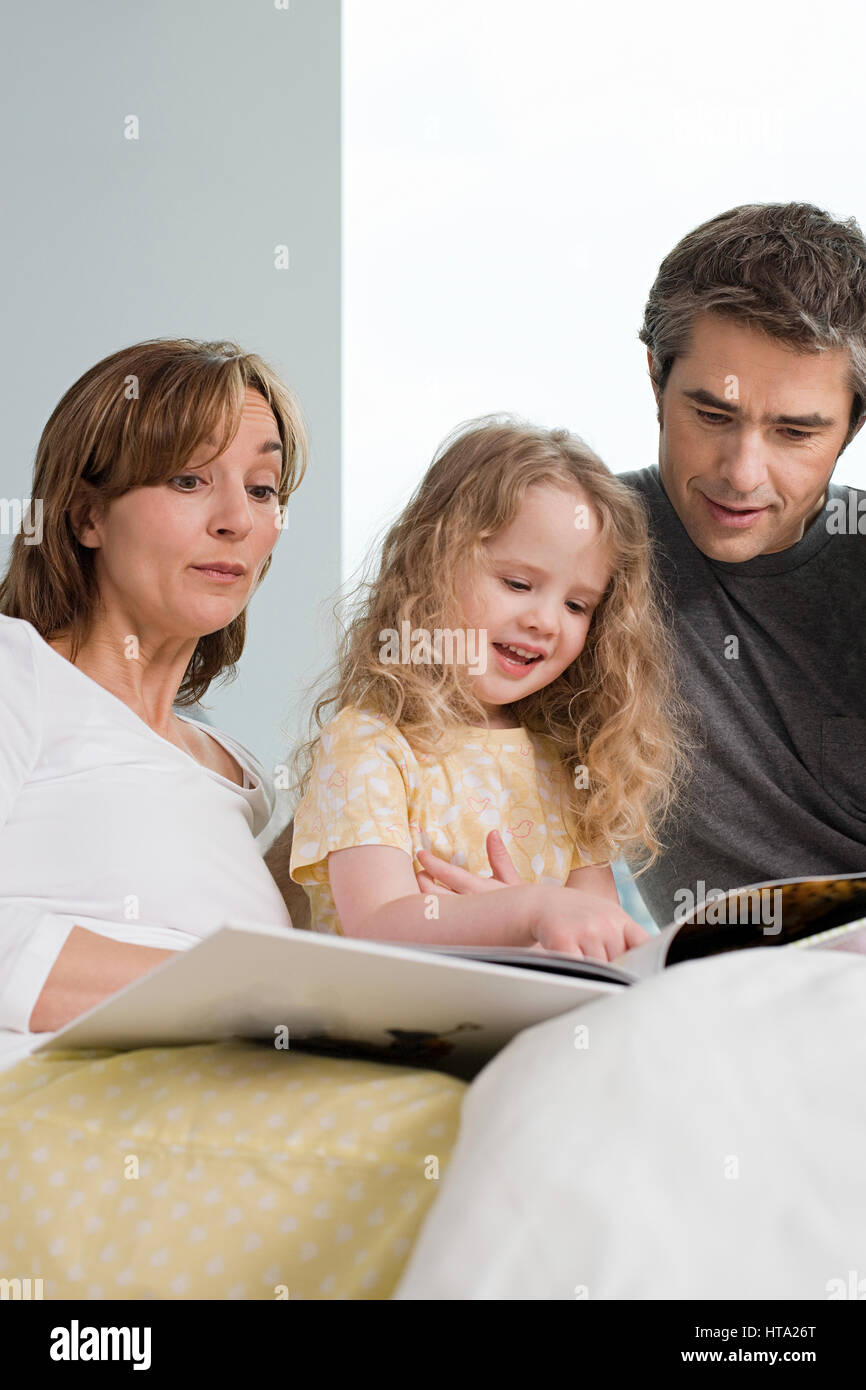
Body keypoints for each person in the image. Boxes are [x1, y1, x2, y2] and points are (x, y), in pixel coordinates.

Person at [0, 338, 465, 1300]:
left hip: (232, 1087)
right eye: (187, 480)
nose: (234, 522)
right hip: (58, 1098)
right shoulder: (17, 674)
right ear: (85, 513)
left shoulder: (241, 775)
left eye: (262, 491)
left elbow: (314, 960)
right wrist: (227, 996)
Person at [286, 418, 689, 959]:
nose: (545, 620)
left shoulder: (569, 760)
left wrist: (546, 920)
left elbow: (600, 941)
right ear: (432, 565)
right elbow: (380, 924)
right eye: (518, 584)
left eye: (577, 605)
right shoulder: (371, 744)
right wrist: (528, 911)